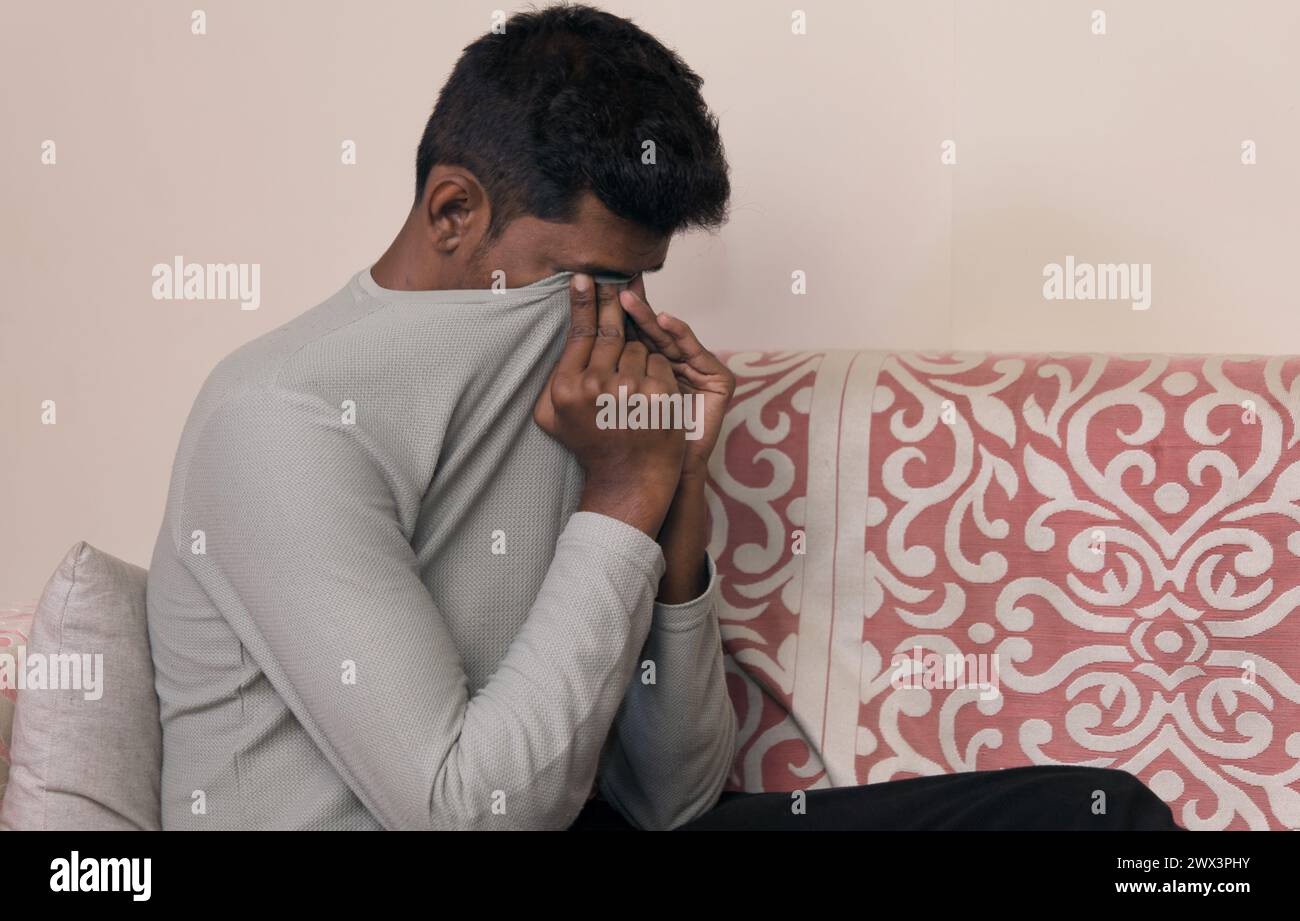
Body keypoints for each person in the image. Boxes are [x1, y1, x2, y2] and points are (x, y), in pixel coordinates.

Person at [145, 3, 1181, 831]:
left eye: (637, 284)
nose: (619, 318)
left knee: (1101, 823)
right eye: (588, 280)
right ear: (453, 214)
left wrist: (673, 490)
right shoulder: (282, 418)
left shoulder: (593, 403)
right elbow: (471, 812)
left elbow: (673, 799)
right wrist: (619, 493)